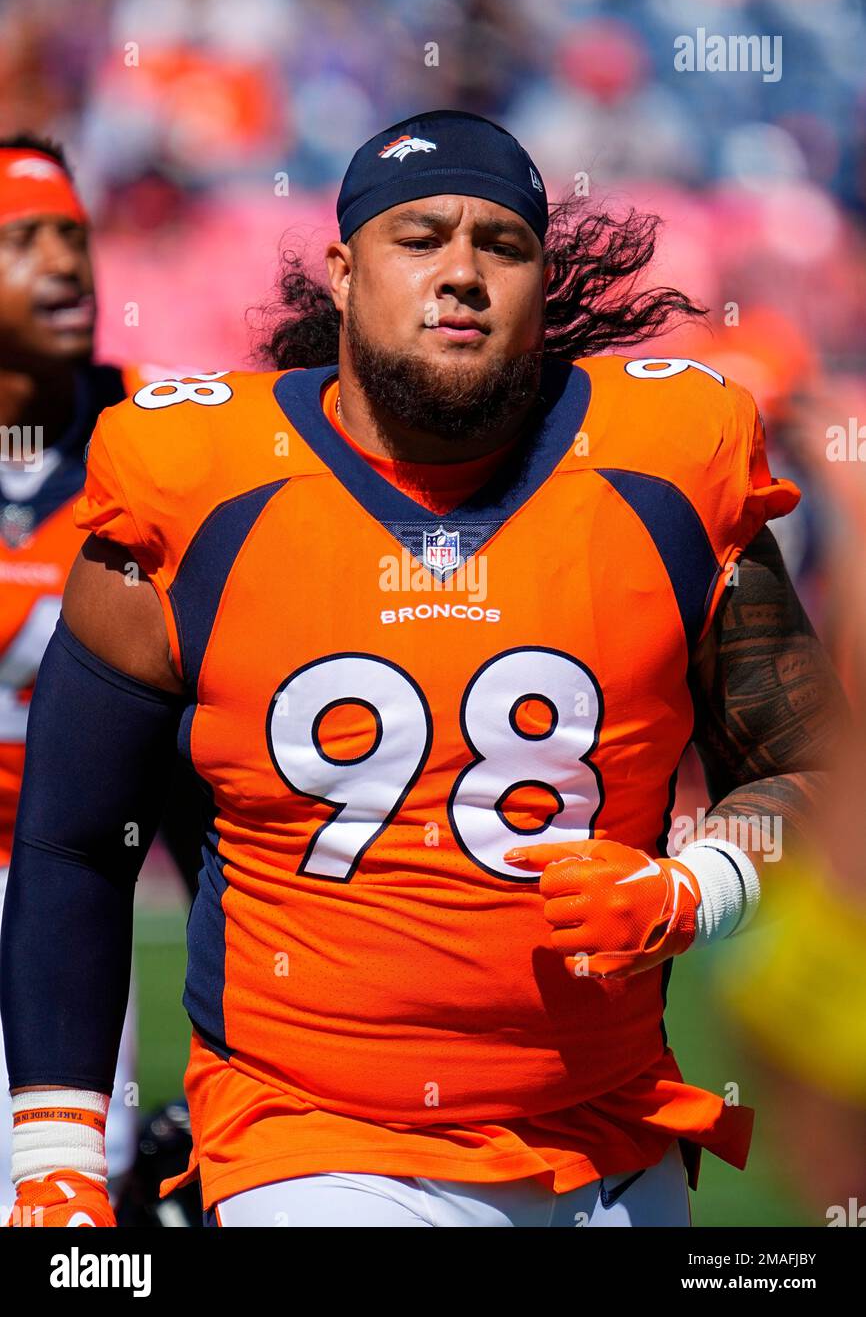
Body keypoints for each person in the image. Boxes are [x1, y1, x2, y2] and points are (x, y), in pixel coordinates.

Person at [2, 110, 847, 1228]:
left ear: (542, 281)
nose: (461, 273)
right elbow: (73, 838)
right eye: (420, 239)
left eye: (501, 246)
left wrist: (698, 886)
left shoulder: (662, 468)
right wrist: (54, 1157)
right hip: (315, 1138)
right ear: (345, 270)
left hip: (609, 1135)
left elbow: (823, 774)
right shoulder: (197, 478)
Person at [0, 134, 201, 1220]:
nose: (65, 264)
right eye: (22, 240)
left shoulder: (155, 440)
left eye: (73, 236)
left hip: (76, 874)